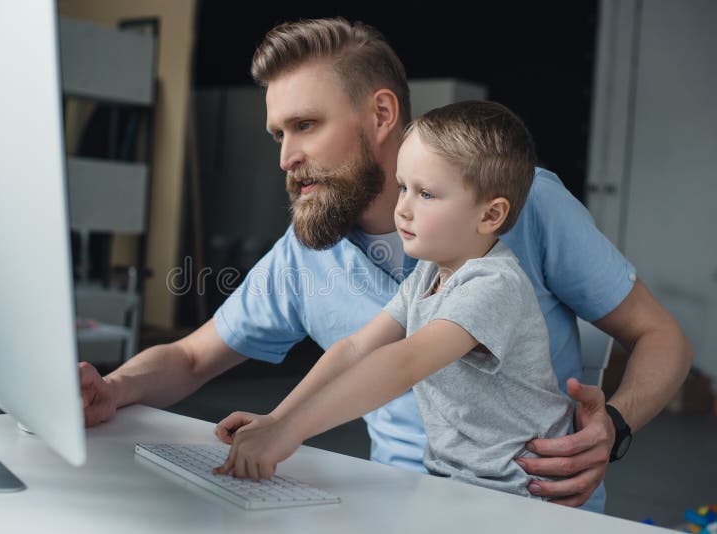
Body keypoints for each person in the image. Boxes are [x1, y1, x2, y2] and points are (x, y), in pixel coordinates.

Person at [78, 18, 692, 511]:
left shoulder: (522, 216)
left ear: (379, 115)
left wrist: (614, 424)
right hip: (405, 504)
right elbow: (192, 356)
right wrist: (113, 389)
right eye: (277, 136)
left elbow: (661, 336)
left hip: (524, 504)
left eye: (306, 126)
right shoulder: (313, 253)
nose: (286, 157)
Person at [212, 101, 576, 501]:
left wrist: (291, 432)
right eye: (403, 187)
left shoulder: (494, 285)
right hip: (452, 485)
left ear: (490, 216)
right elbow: (354, 348)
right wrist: (278, 419)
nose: (402, 208)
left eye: (426, 194)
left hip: (519, 496)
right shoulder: (428, 274)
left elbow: (402, 363)